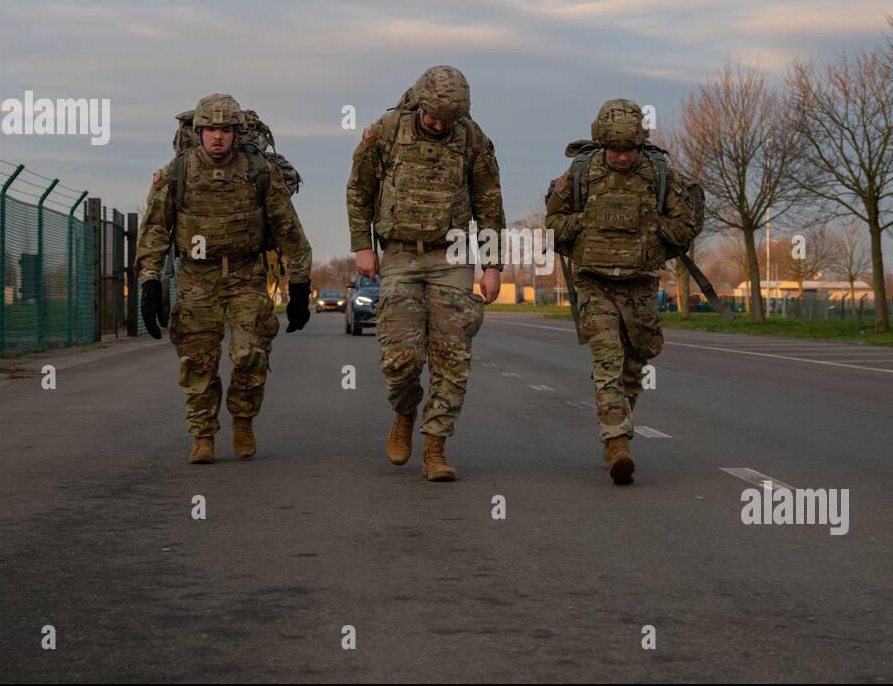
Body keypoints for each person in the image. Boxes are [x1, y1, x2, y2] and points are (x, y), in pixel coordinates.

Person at [346, 66, 506, 481]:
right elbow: (359, 189)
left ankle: (435, 446)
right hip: (399, 255)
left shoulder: (472, 139)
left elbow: (489, 203)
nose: (439, 126)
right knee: (400, 358)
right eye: (433, 117)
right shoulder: (386, 131)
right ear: (419, 105)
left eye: (447, 120)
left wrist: (492, 265)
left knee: (453, 358)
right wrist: (362, 245)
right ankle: (404, 411)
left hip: (453, 256)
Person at [136, 93, 312, 464]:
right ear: (198, 132)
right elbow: (155, 230)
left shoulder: (259, 171)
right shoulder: (177, 173)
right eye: (210, 129)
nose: (218, 136)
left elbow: (287, 228)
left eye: (226, 129)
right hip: (196, 278)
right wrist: (150, 282)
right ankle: (202, 435)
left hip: (246, 275)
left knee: (251, 354)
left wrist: (300, 286)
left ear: (236, 133)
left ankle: (243, 419)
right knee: (197, 362)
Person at [545, 99, 700, 483]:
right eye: (614, 149)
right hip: (593, 281)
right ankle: (616, 441)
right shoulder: (581, 172)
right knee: (608, 360)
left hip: (640, 283)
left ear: (639, 144)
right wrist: (585, 222)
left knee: (636, 362)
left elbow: (686, 227)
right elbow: (553, 226)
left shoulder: (659, 174)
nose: (621, 156)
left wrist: (650, 227)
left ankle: (619, 422)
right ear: (602, 143)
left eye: (628, 149)